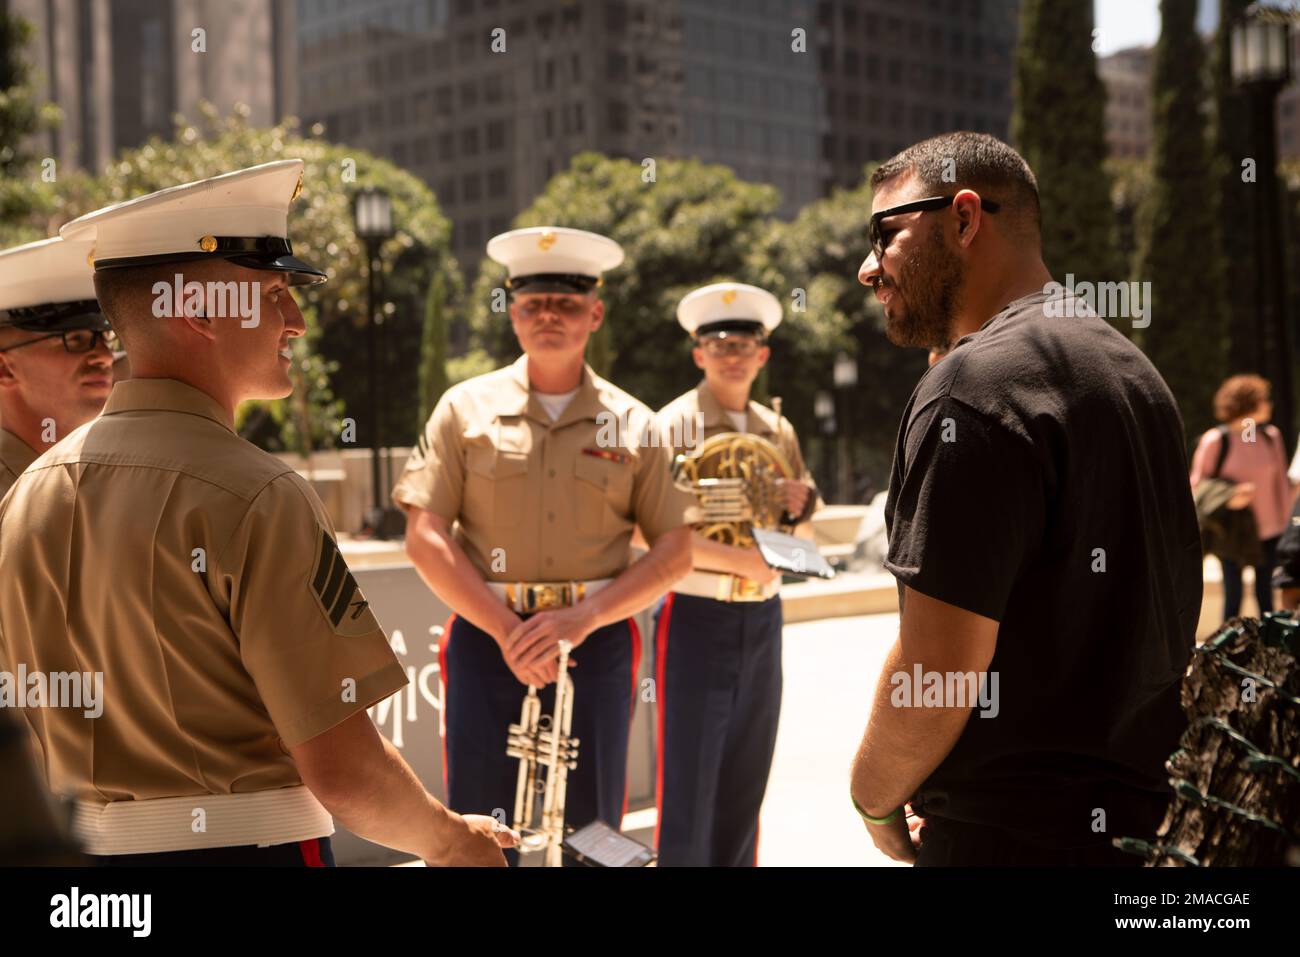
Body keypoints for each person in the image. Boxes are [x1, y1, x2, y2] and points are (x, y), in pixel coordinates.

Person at [0, 160, 511, 866]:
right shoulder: (257, 493)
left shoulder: (27, 491)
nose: (295, 322)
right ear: (198, 312)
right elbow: (344, 770)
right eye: (274, 293)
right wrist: (456, 843)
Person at [850, 132, 1202, 866]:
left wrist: (874, 796)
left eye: (885, 234)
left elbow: (938, 673)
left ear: (965, 217)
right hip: (1146, 835)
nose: (867, 268)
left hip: (1010, 838)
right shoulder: (1135, 372)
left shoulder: (971, 386)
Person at [393, 226, 694, 860]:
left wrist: (582, 617)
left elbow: (675, 550)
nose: (547, 316)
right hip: (485, 638)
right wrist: (508, 630)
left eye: (565, 302)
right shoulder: (463, 408)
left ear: (595, 312)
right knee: (479, 824)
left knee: (592, 831)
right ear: (512, 310)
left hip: (597, 640)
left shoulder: (632, 421)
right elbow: (423, 535)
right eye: (532, 303)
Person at [652, 281, 820, 866]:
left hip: (763, 613)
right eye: (718, 342)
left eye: (744, 343)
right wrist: (745, 558)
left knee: (748, 778)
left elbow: (802, 542)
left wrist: (797, 511)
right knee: (690, 781)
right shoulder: (671, 426)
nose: (731, 353)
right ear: (698, 353)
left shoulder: (780, 433)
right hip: (696, 612)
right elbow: (648, 536)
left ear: (762, 356)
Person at [0, 237, 115, 497]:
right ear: (5, 369)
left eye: (106, 338)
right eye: (74, 339)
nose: (105, 356)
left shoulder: (101, 485)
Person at [1188, 374, 1294, 620]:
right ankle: (1230, 651)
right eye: (1263, 399)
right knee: (1233, 596)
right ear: (1247, 403)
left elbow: (1281, 485)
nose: (1269, 404)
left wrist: (1287, 527)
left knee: (1266, 595)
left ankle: (1269, 653)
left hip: (1269, 532)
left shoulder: (1271, 437)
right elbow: (1197, 486)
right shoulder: (1217, 440)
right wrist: (1229, 498)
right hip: (1231, 532)